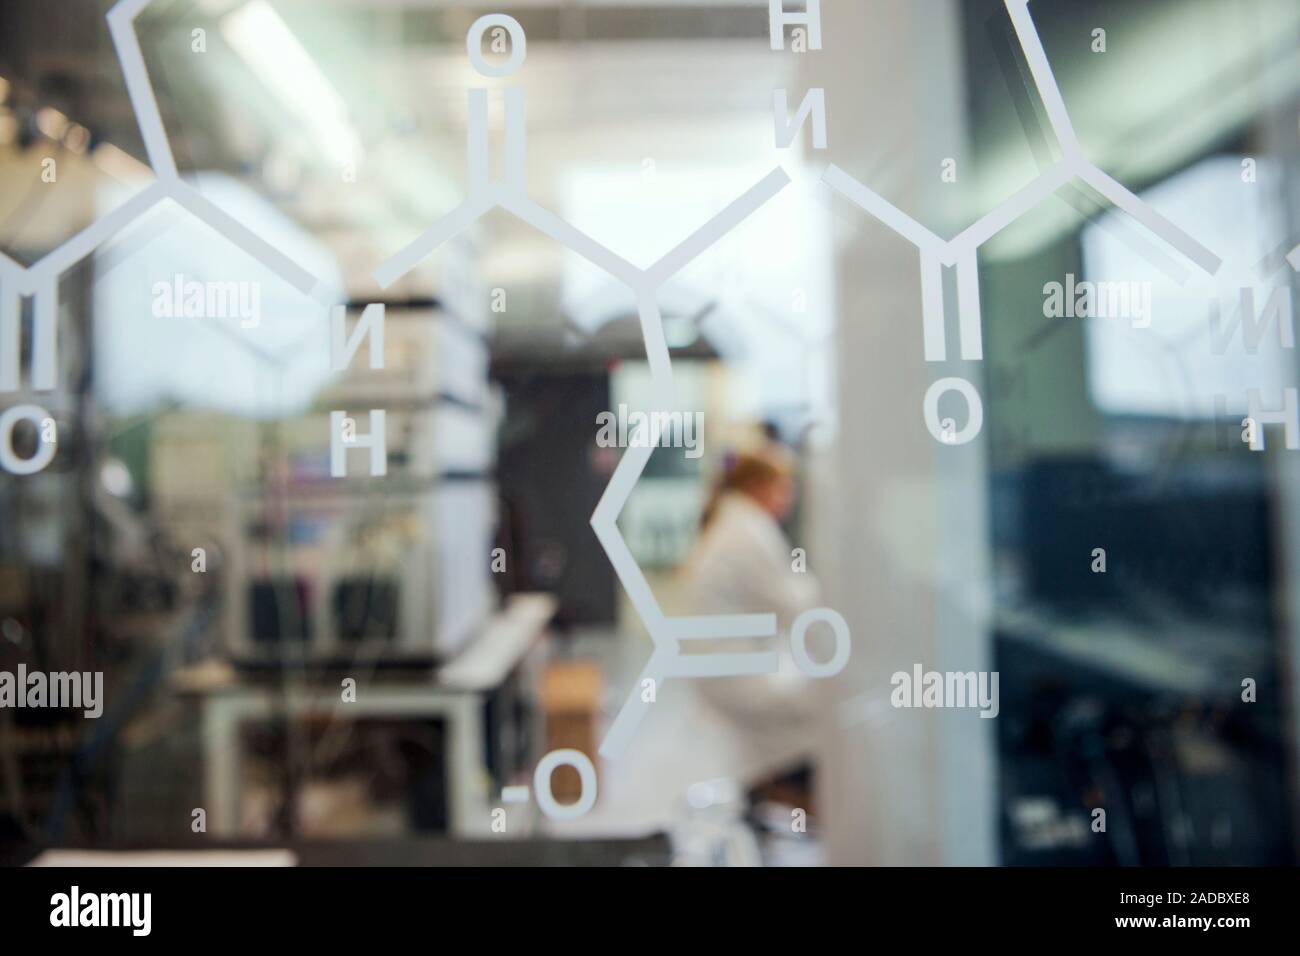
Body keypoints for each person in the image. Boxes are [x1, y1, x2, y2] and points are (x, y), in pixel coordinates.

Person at [677, 441, 823, 787]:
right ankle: (793, 794)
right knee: (840, 709)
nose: (788, 498)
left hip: (730, 667)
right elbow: (796, 607)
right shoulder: (747, 532)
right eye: (783, 488)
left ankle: (774, 789)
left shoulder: (737, 523)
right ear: (757, 486)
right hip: (737, 676)